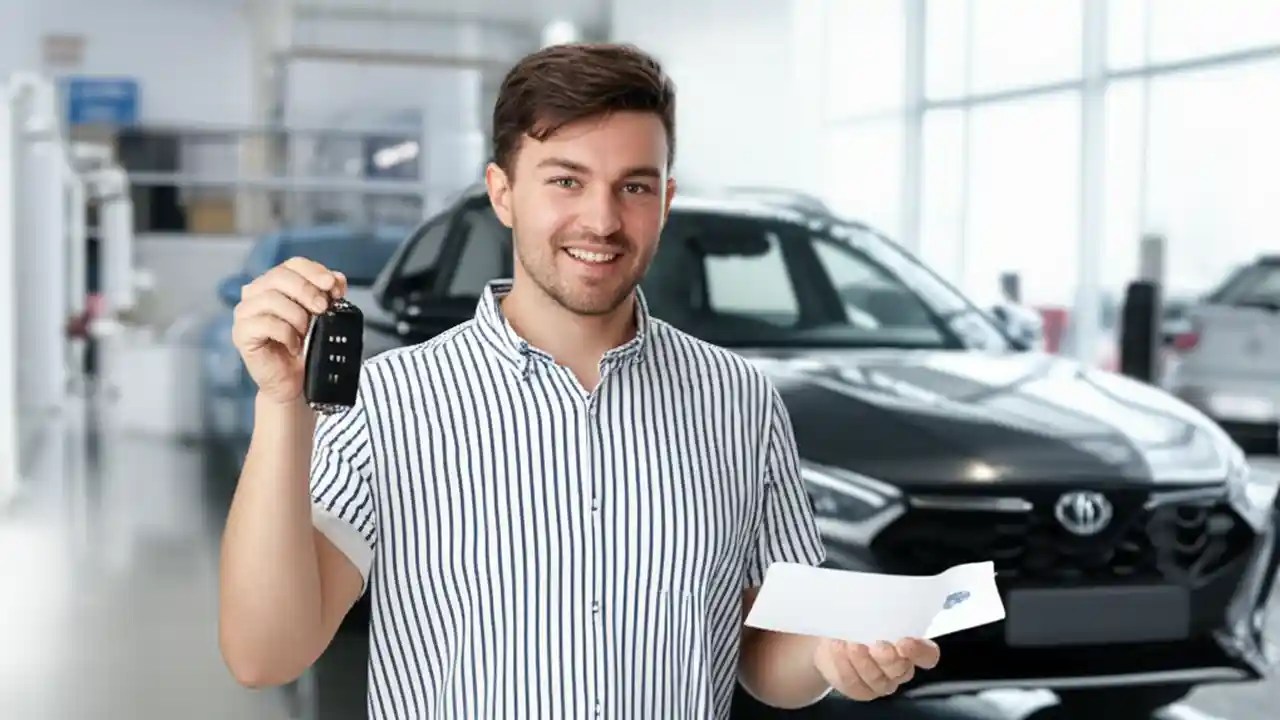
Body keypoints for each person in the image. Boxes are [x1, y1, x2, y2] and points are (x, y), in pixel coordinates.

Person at [218, 42, 940, 718]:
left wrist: (828, 655)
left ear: (666, 198)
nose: (602, 219)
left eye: (634, 186)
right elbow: (266, 653)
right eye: (566, 180)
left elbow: (765, 654)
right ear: (502, 193)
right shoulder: (388, 401)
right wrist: (284, 407)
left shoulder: (740, 401)